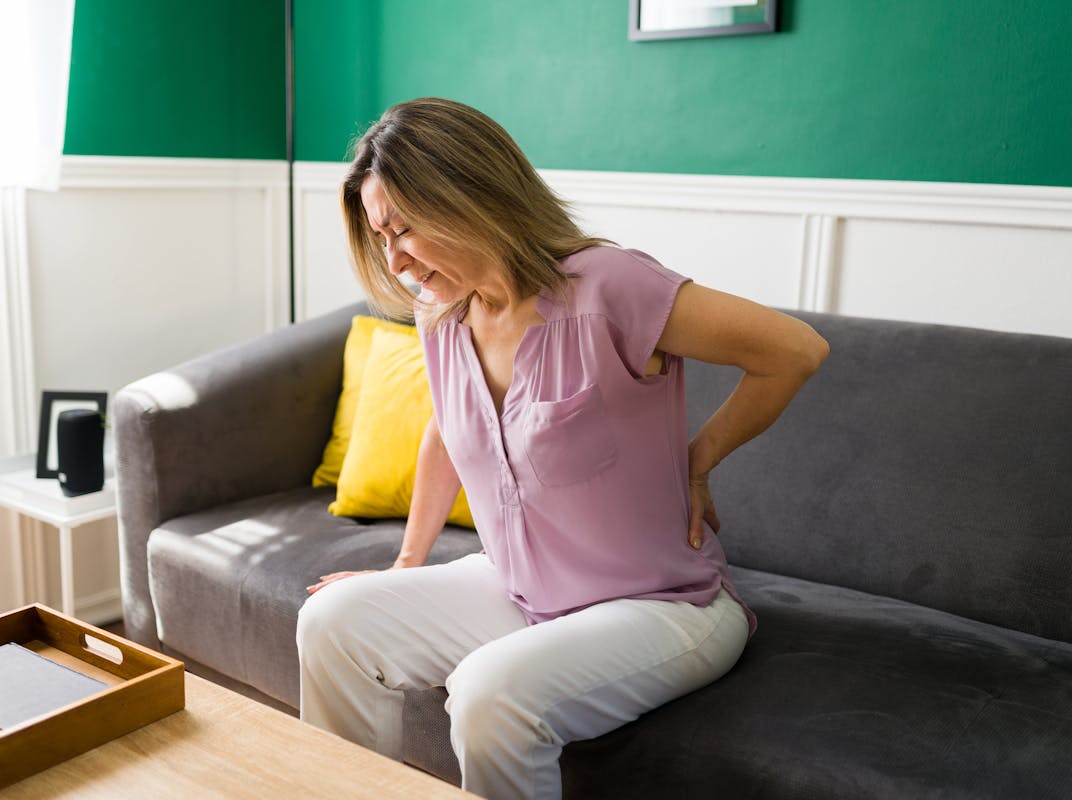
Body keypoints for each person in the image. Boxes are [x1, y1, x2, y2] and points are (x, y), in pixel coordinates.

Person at [296, 97, 829, 800]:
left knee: (489, 694)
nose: (394, 260)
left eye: (405, 230)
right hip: (522, 589)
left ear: (467, 195)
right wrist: (402, 566)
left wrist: (700, 458)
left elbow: (794, 350)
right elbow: (449, 432)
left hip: (665, 606)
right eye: (379, 237)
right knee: (333, 622)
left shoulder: (608, 285)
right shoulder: (444, 313)